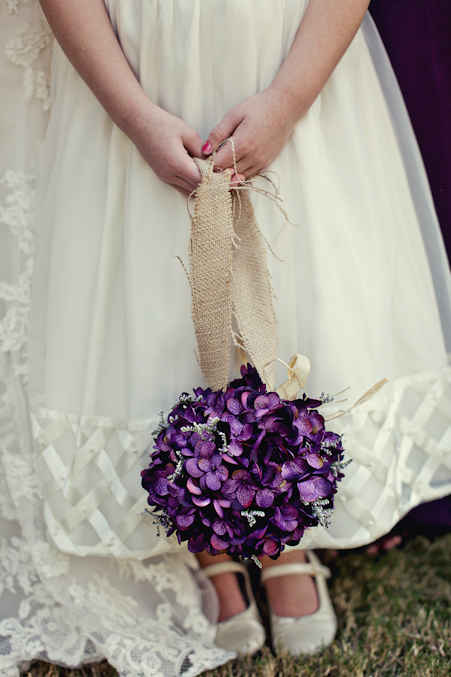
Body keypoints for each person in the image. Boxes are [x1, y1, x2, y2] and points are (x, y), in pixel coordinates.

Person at [1, 1, 451, 675]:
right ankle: (205, 538)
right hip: (141, 71)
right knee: (154, 286)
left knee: (297, 270)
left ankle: (284, 534)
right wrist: (133, 115)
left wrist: (288, 96)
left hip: (279, 51)